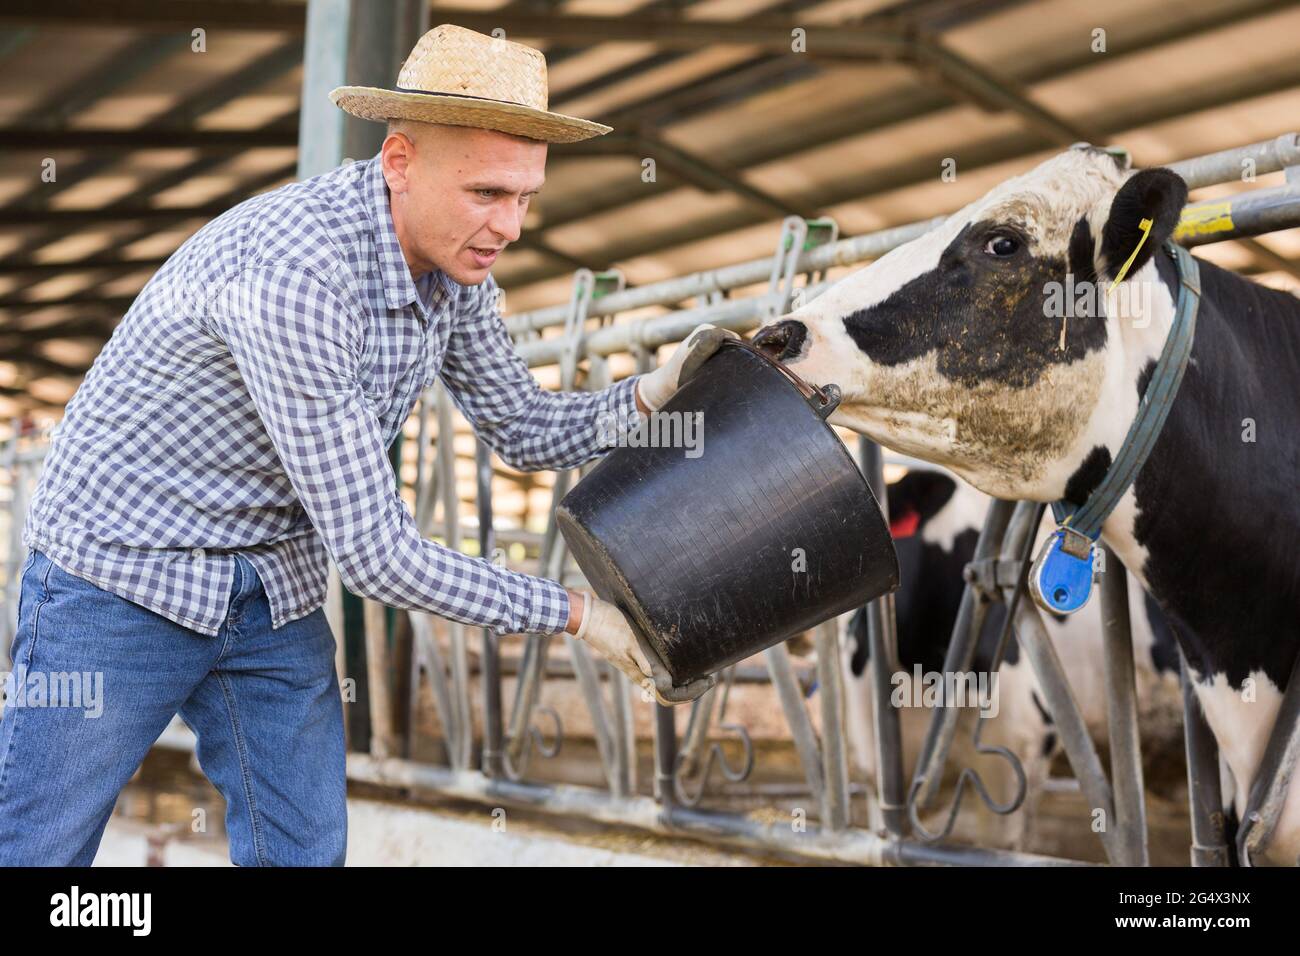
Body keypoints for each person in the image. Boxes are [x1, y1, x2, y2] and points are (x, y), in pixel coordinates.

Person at [0, 24, 732, 867]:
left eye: (526, 197)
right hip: (124, 576)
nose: (512, 225)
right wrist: (578, 615)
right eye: (487, 193)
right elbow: (379, 557)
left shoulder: (457, 274)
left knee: (305, 856)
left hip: (269, 587)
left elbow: (525, 429)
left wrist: (652, 393)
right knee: (40, 857)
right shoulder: (298, 277)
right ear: (398, 161)